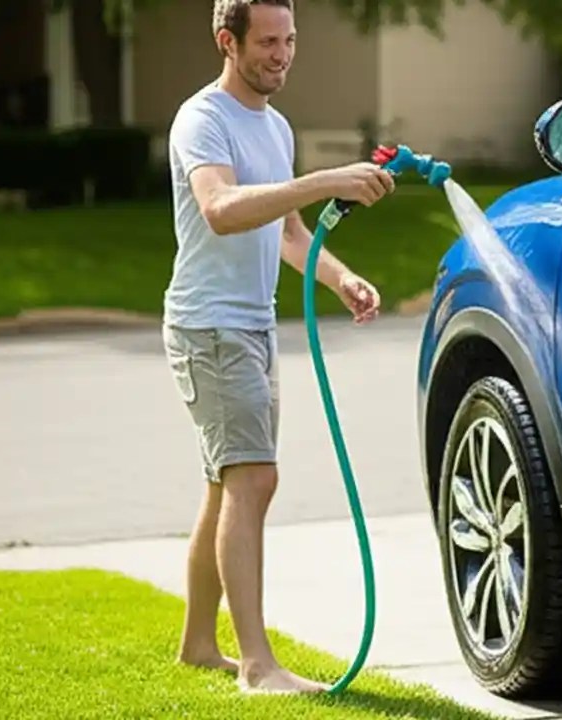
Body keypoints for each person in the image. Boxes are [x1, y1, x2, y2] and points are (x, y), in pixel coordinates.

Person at [162, 0, 395, 694]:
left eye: (290, 41)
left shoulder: (275, 124)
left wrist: (341, 276)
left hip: (251, 326)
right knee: (253, 479)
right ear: (225, 40)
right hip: (211, 327)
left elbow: (290, 233)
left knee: (227, 483)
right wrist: (328, 179)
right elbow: (222, 209)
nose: (282, 55)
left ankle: (201, 645)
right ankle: (258, 666)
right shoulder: (203, 118)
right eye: (267, 41)